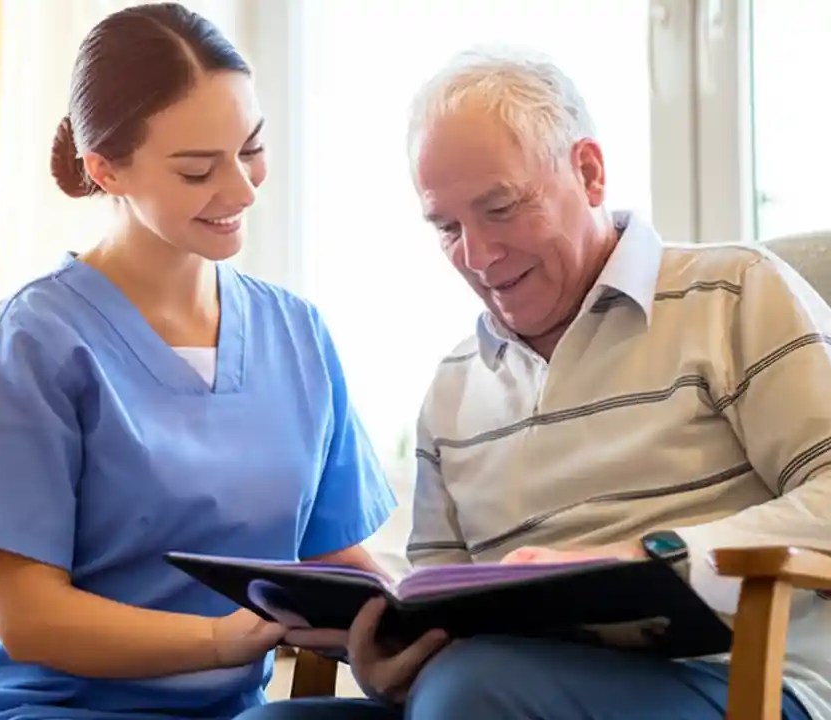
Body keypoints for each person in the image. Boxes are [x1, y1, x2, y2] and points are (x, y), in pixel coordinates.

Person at [244, 46, 830, 720]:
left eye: (501, 208)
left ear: (588, 171)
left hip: (738, 686)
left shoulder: (733, 292)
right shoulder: (455, 387)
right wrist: (391, 662)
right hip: (494, 687)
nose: (477, 255)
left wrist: (644, 558)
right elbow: (438, 603)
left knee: (471, 687)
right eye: (447, 227)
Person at [0, 4, 395, 719]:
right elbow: (31, 618)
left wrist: (417, 617)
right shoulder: (31, 342)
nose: (242, 189)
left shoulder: (297, 335)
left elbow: (333, 561)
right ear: (104, 168)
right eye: (199, 169)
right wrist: (217, 640)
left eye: (252, 148)